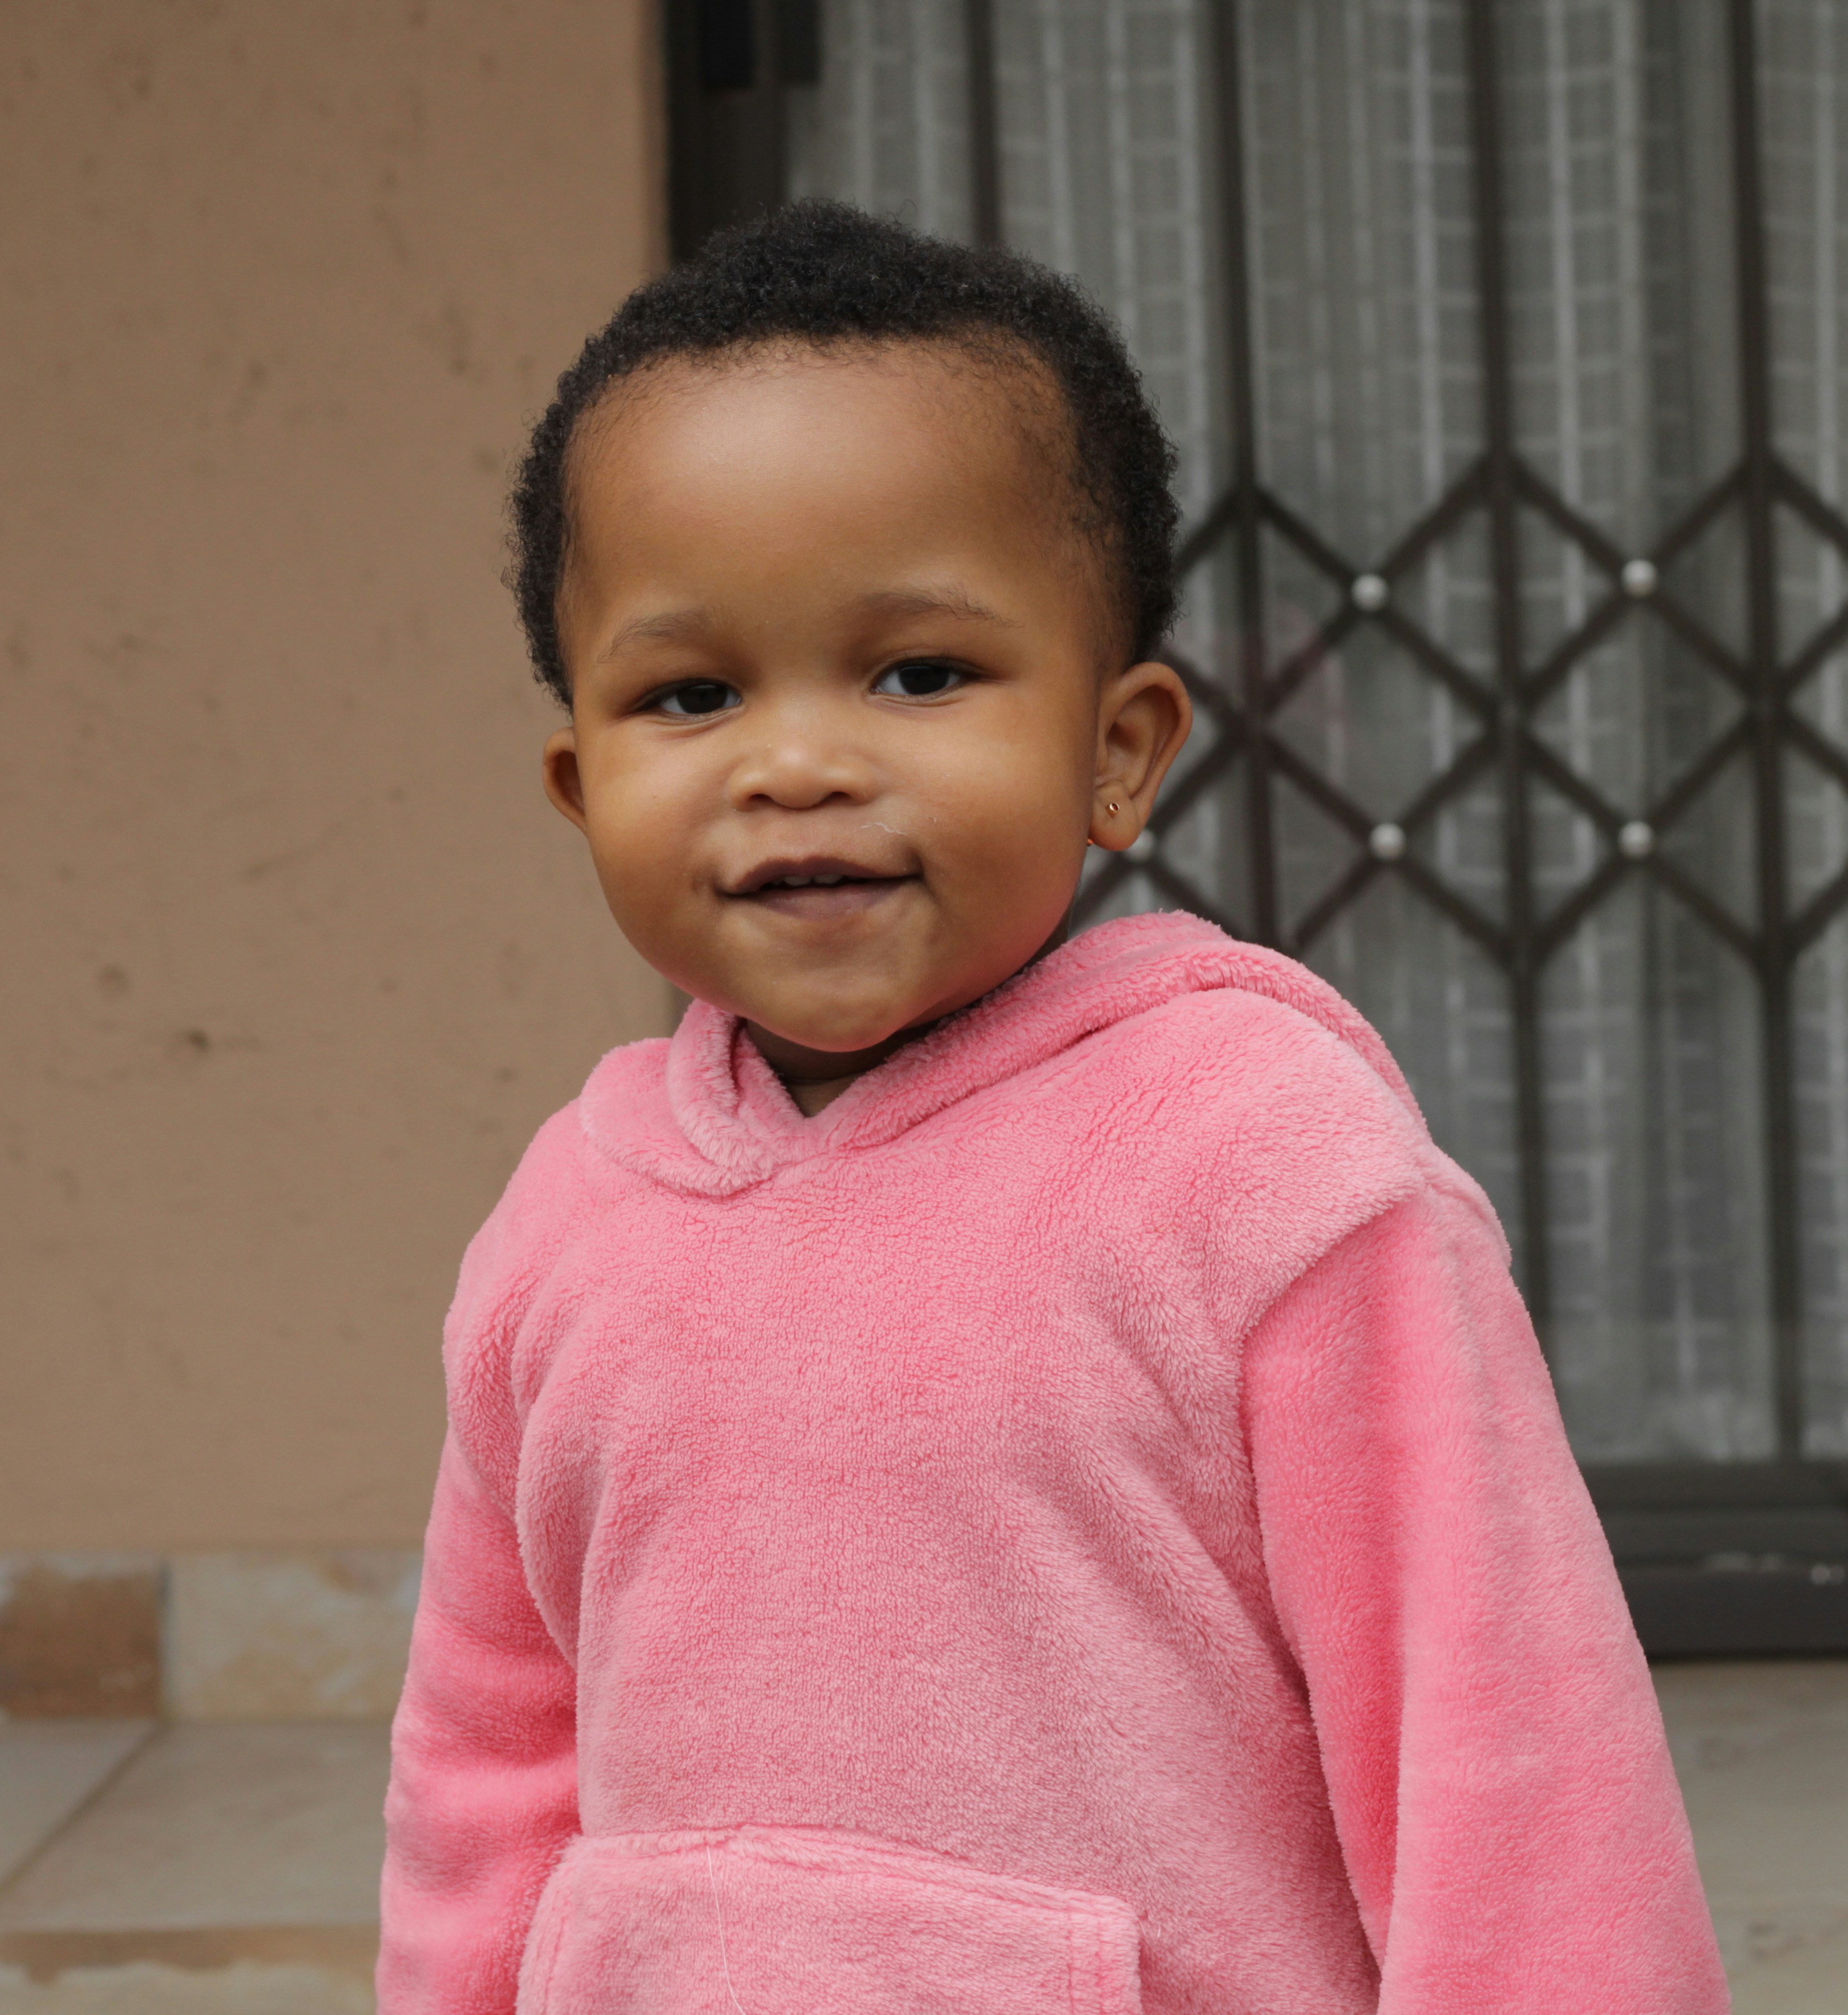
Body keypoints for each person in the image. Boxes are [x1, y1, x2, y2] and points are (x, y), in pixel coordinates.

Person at [377, 202, 1725, 2015]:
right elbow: (485, 1776)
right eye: (689, 694)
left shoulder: (1269, 1177)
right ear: (580, 781)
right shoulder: (565, 1227)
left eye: (919, 672)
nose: (797, 764)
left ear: (1120, 748)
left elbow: (1506, 1766)